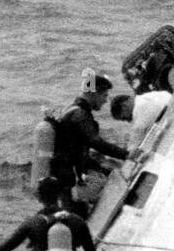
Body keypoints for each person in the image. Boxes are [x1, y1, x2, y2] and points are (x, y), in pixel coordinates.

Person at [45, 72, 128, 201]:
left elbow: (77, 152)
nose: (106, 100)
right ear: (94, 94)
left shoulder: (71, 109)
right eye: (104, 95)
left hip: (65, 178)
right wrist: (128, 155)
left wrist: (102, 168)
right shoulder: (80, 115)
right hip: (70, 182)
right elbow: (97, 143)